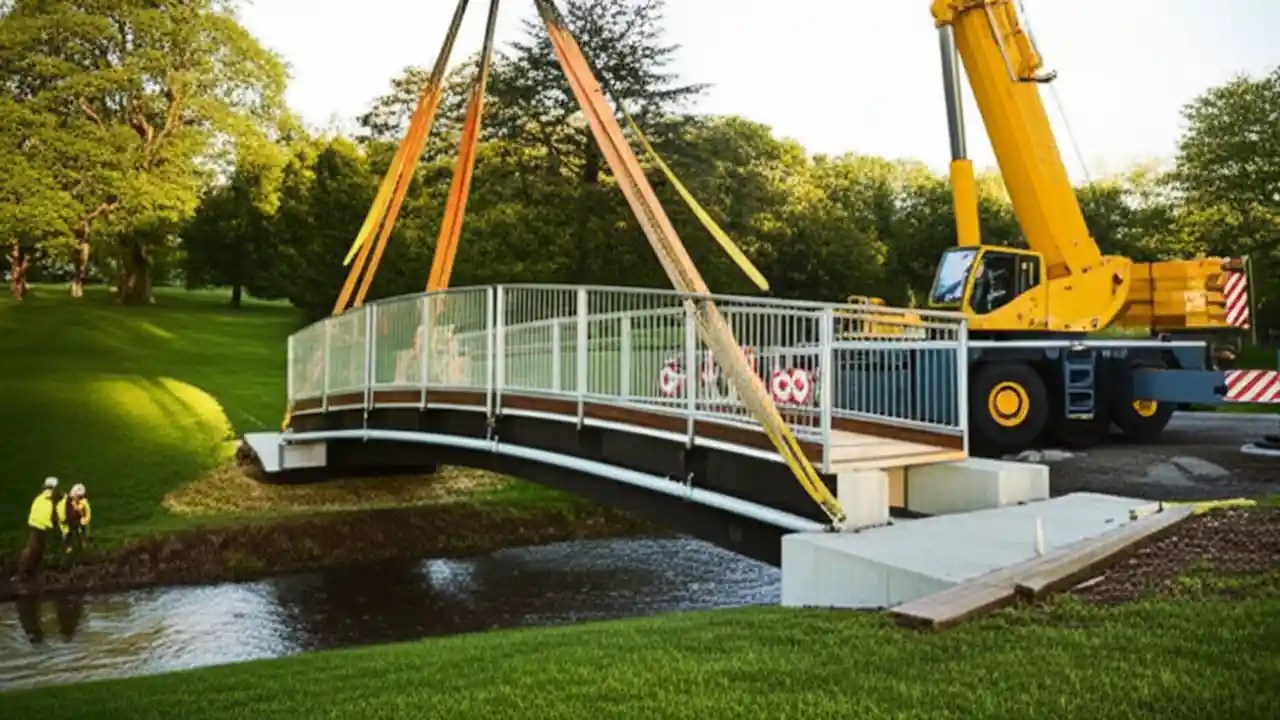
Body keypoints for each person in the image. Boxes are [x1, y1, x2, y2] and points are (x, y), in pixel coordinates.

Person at [14, 477, 61, 581]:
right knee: (35, 550)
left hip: (34, 524)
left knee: (34, 548)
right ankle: (26, 571)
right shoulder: (52, 499)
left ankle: (27, 571)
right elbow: (52, 514)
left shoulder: (39, 498)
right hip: (42, 526)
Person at [57, 483, 91, 554]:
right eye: (78, 496)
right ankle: (67, 549)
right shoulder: (65, 503)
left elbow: (86, 514)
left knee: (81, 532)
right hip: (66, 523)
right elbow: (62, 516)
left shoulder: (82, 502)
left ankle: (82, 547)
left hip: (77, 522)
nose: (80, 498)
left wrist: (83, 520)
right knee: (68, 535)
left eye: (81, 497)